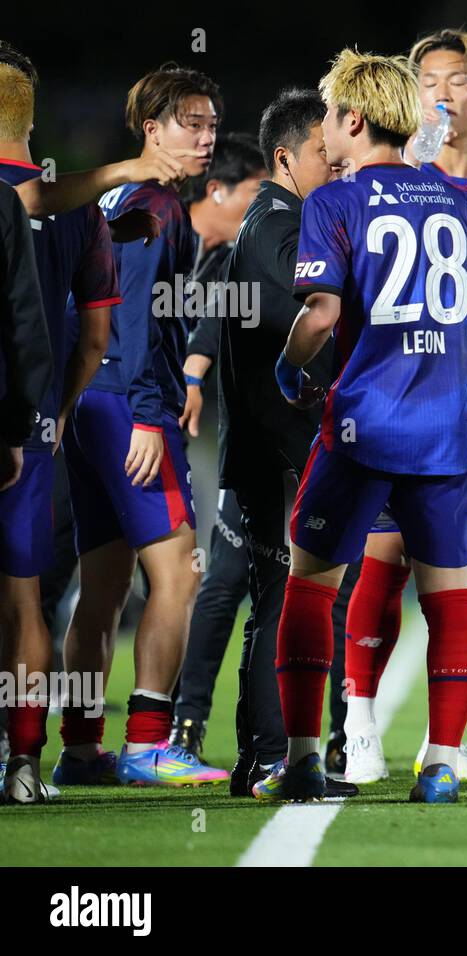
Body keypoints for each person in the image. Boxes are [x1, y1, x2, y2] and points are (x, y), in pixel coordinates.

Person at [253, 49, 467, 804]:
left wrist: (289, 368)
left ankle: (301, 760)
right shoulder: (458, 202)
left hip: (362, 426)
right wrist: (465, 407)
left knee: (312, 586)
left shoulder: (334, 201)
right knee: (448, 597)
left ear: (353, 120)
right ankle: (440, 765)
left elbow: (322, 312)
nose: (324, 131)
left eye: (330, 115)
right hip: (440, 434)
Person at [54, 63, 228, 787]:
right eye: (191, 123)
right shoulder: (155, 205)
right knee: (180, 571)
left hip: (89, 403)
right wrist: (151, 417)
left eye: (213, 124)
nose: (207, 137)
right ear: (151, 130)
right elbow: (130, 318)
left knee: (101, 584)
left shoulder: (115, 195)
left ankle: (81, 745)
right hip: (127, 404)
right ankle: (151, 741)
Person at [339, 27, 467, 786]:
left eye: (456, 79)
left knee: (460, 566)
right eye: (427, 79)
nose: (442, 92)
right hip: (413, 391)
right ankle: (360, 720)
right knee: (386, 560)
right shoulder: (406, 174)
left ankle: (441, 740)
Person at [219, 88, 359, 798]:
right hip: (283, 447)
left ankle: (276, 756)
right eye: (321, 158)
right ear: (284, 157)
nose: (334, 170)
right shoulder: (280, 225)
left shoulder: (273, 221)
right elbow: (303, 328)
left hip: (278, 443)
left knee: (289, 594)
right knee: (287, 596)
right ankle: (272, 757)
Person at [0, 47, 116, 803]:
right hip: (29, 425)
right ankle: (23, 763)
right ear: (30, 116)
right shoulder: (72, 207)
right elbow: (96, 339)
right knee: (24, 597)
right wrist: (56, 411)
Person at [169, 132, 267, 757]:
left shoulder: (246, 245)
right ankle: (180, 725)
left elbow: (210, 322)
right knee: (217, 575)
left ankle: (316, 736)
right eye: (254, 193)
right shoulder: (163, 238)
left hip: (237, 427)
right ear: (219, 190)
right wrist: (190, 375)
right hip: (141, 418)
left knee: (228, 575)